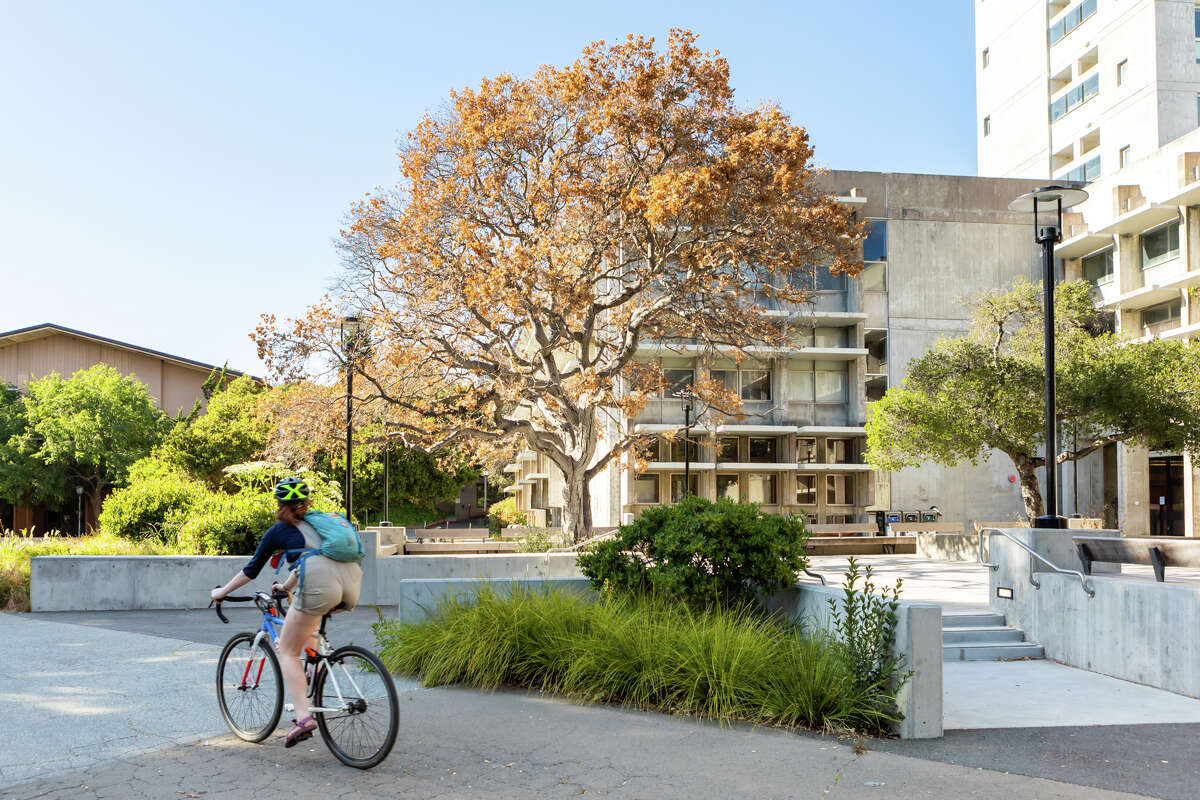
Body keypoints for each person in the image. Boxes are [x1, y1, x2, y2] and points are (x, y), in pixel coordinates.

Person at [210, 477, 363, 747]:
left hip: (319, 586)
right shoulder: (319, 526)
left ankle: (303, 719)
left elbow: (251, 570)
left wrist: (221, 592)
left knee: (287, 651)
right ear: (305, 502)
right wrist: (286, 585)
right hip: (350, 583)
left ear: (280, 504)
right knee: (309, 634)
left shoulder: (279, 531)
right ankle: (313, 678)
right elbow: (311, 558)